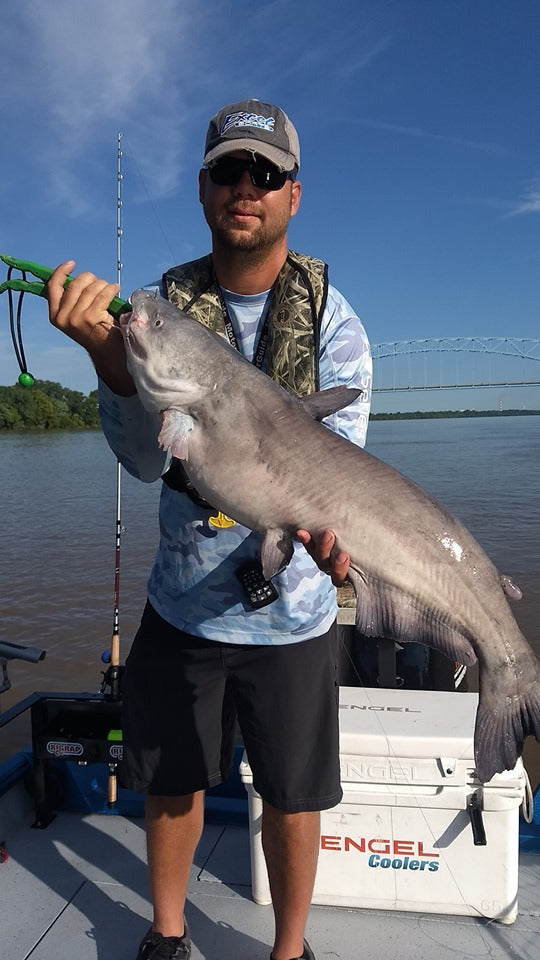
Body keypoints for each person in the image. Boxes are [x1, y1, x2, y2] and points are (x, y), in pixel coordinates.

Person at [47, 99, 372, 960]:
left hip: (297, 609)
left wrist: (336, 548)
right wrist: (111, 370)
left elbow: (343, 469)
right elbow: (148, 465)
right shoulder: (161, 310)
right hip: (184, 603)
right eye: (230, 169)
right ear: (203, 188)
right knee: (171, 786)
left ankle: (289, 948)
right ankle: (166, 932)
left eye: (266, 174)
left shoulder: (338, 325)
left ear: (293, 196)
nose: (246, 187)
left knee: (294, 798)